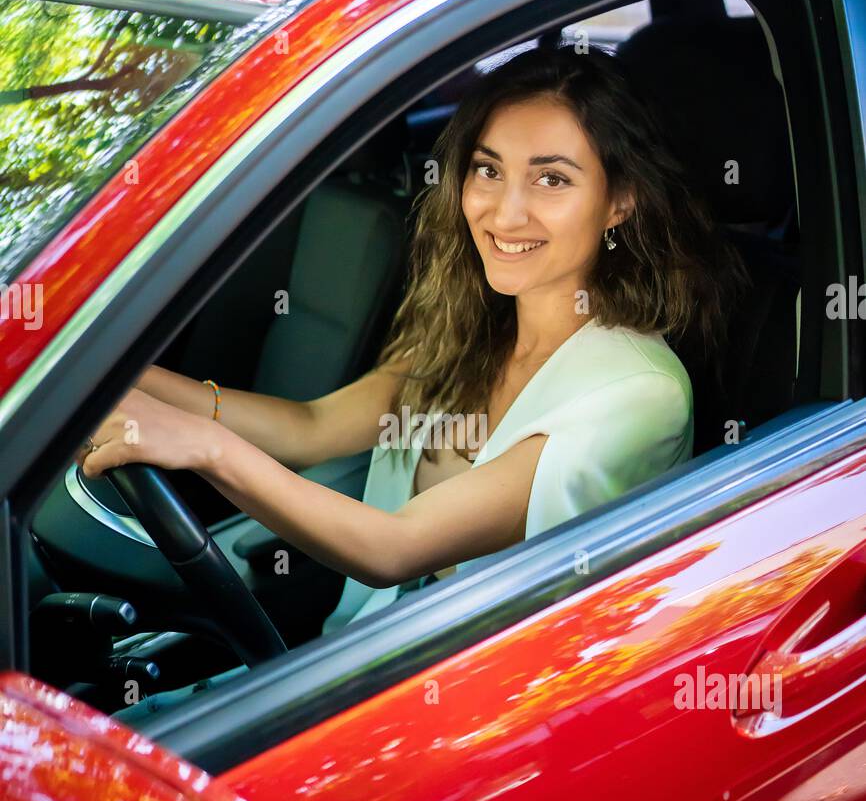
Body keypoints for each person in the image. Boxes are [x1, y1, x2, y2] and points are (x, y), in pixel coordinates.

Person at [79, 43, 743, 633]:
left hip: (484, 708)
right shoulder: (468, 325)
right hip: (373, 644)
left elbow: (393, 546)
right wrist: (104, 372)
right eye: (488, 170)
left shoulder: (639, 393)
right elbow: (309, 428)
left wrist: (203, 446)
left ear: (620, 202)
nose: (504, 211)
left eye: (552, 179)